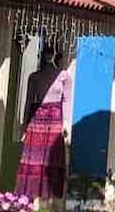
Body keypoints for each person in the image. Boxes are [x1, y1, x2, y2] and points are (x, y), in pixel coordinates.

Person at [15, 47, 72, 200]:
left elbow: (67, 100)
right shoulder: (34, 77)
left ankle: (50, 199)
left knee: (51, 159)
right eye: (46, 52)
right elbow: (28, 101)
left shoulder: (64, 76)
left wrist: (66, 123)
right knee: (34, 158)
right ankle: (30, 198)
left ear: (55, 55)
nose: (48, 56)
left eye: (51, 53)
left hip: (55, 119)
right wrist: (24, 124)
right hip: (38, 118)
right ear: (42, 54)